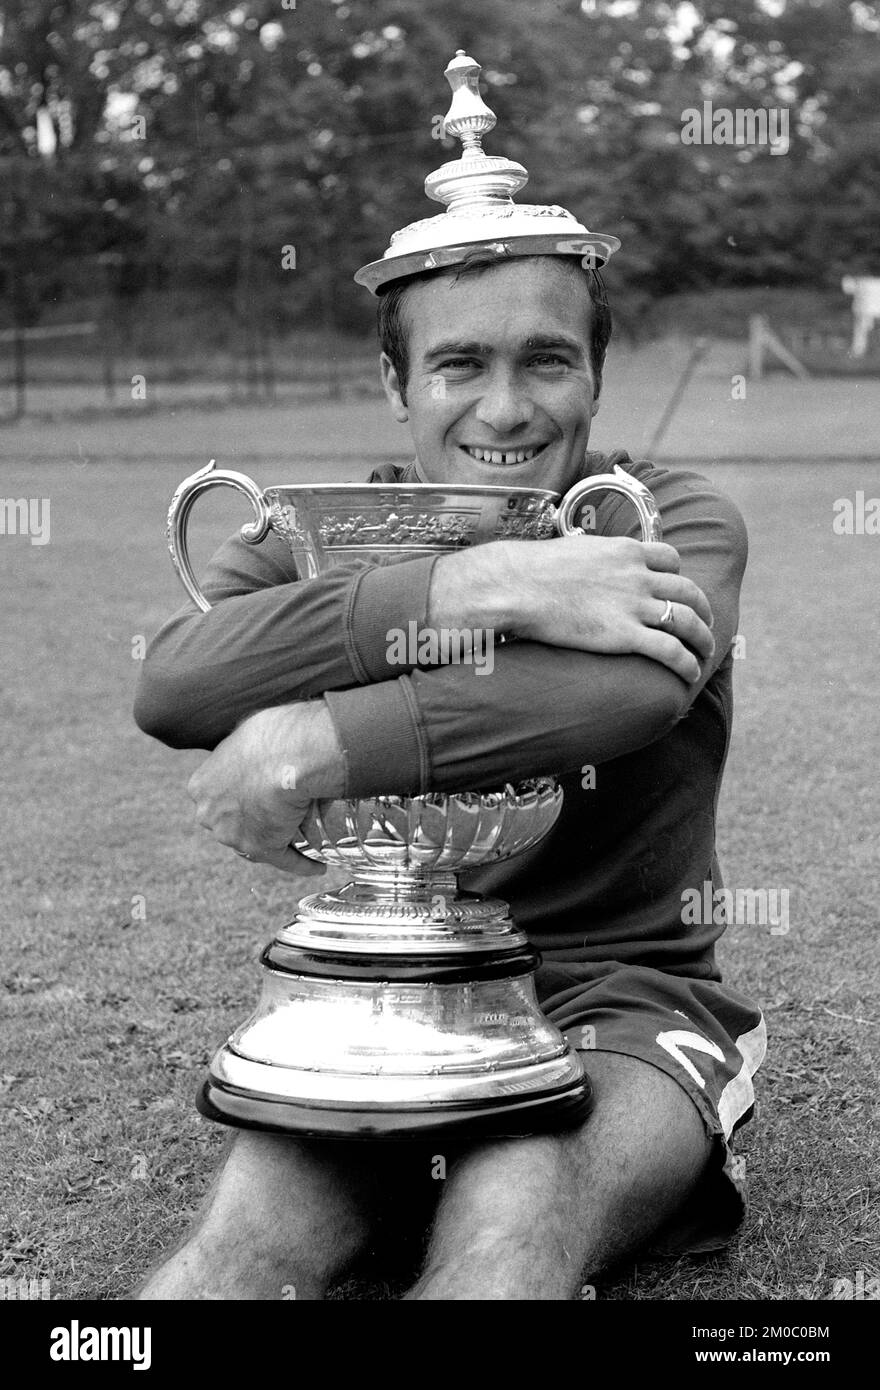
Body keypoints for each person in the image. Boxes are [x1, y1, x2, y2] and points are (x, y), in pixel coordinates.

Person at [133, 52, 765, 1301]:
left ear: (595, 370)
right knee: (246, 1253)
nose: (507, 406)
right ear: (395, 384)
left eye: (546, 360)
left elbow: (629, 692)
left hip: (626, 997)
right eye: (459, 363)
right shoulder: (323, 531)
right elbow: (172, 681)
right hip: (383, 995)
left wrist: (311, 739)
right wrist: (476, 587)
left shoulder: (660, 512)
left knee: (514, 1216)